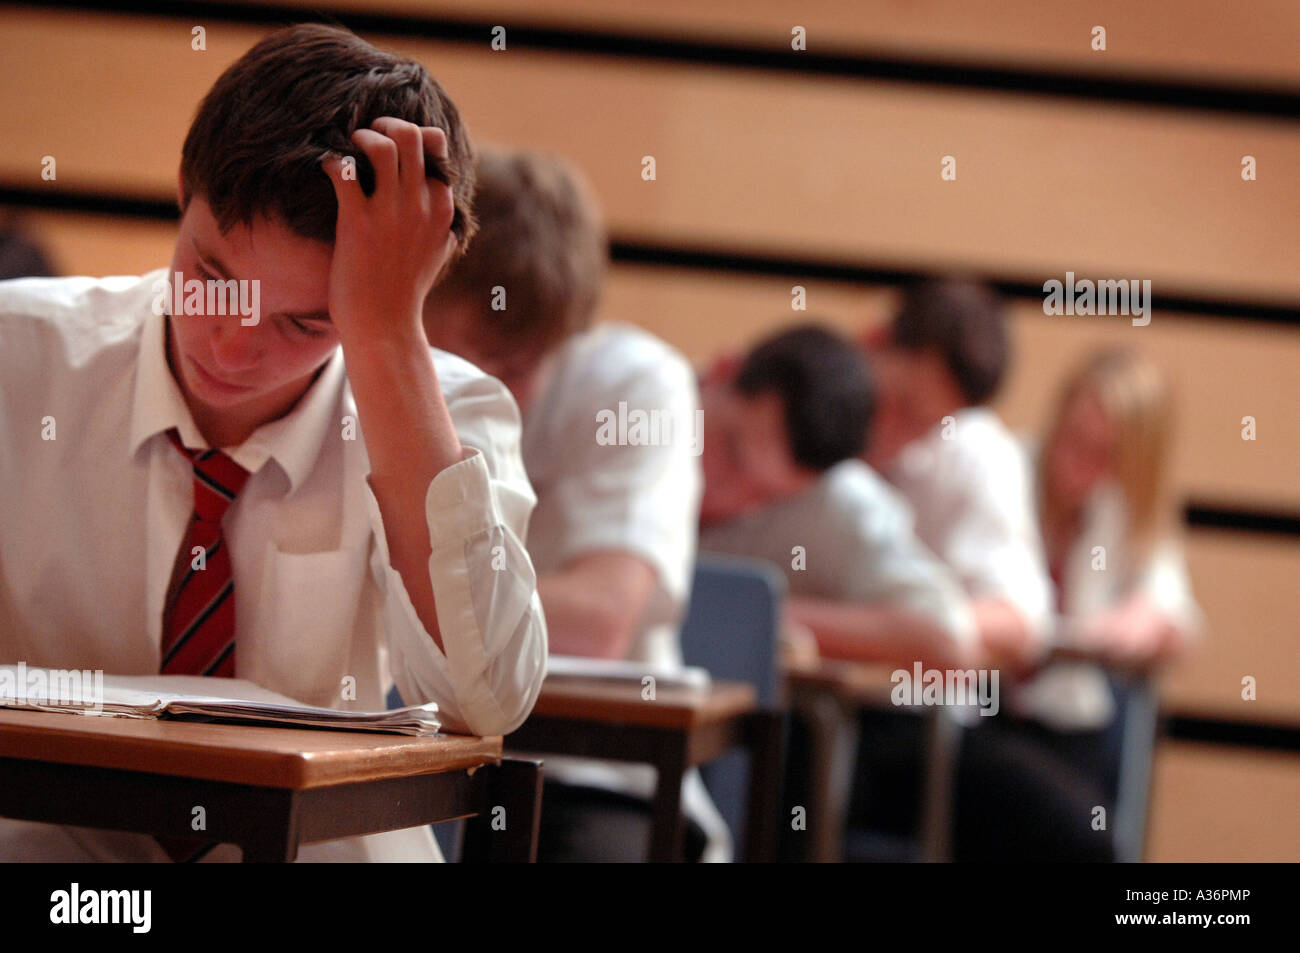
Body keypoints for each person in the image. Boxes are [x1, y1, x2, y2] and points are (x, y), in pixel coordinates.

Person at [0, 24, 547, 862]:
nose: (230, 345)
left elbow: (489, 697)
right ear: (184, 190)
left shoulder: (442, 405)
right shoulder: (22, 354)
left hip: (311, 844)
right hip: (54, 842)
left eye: (304, 320)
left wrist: (388, 341)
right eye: (214, 276)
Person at [424, 149, 729, 861]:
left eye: (516, 366)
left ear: (568, 338)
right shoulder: (359, 357)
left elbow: (599, 619)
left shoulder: (637, 383)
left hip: (577, 774)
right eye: (454, 357)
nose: (479, 388)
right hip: (383, 760)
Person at [697, 326, 976, 669]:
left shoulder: (835, 502)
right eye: (730, 449)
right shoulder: (633, 405)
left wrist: (749, 613)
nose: (723, 496)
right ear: (722, 372)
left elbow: (946, 639)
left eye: (764, 496)